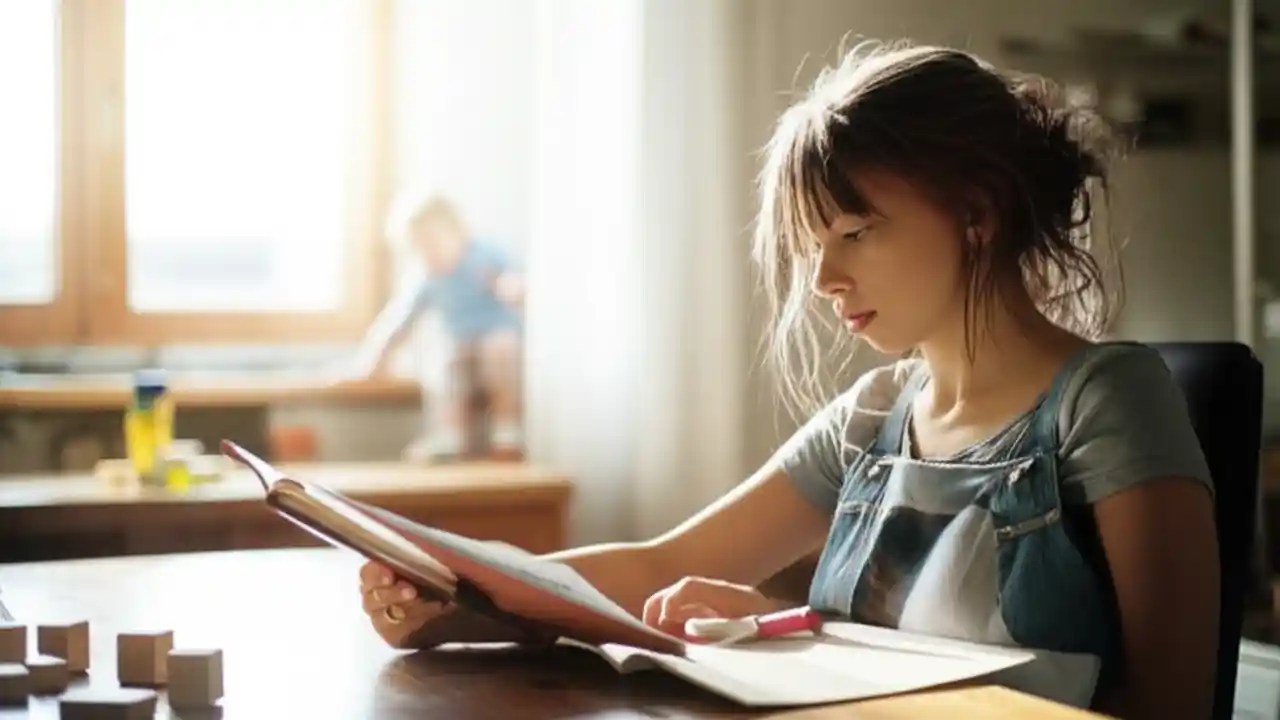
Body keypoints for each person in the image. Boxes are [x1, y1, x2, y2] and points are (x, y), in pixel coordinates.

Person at [356, 41, 1220, 718]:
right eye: (813, 248)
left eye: (856, 232)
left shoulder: (1105, 399)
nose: (825, 280)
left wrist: (808, 644)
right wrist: (454, 601)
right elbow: (663, 564)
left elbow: (1170, 706)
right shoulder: (874, 418)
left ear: (977, 213)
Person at [351, 192, 524, 460]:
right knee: (445, 364)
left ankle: (507, 433)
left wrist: (511, 287)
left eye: (432, 242)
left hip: (496, 335)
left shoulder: (483, 256)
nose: (428, 253)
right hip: (462, 344)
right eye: (418, 248)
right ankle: (450, 435)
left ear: (460, 232)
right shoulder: (427, 278)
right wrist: (376, 361)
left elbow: (512, 281)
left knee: (499, 348)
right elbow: (400, 321)